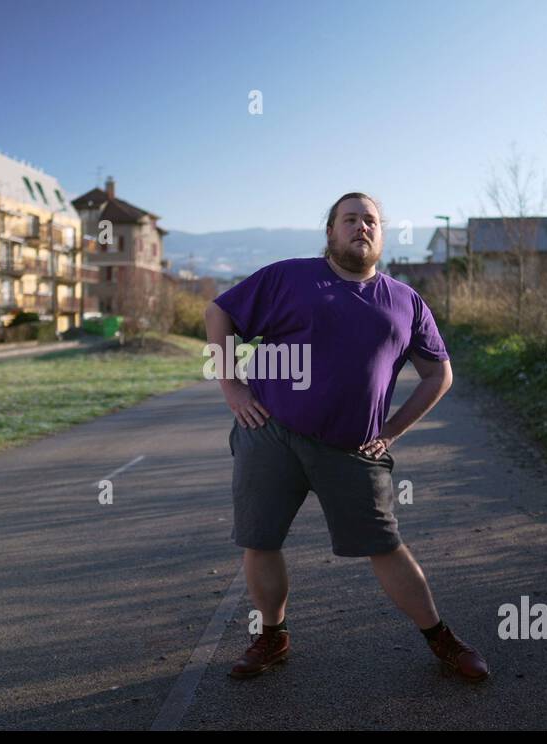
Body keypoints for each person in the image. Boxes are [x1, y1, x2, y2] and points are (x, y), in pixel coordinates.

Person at [203, 192, 490, 683]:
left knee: (385, 544)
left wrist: (392, 431)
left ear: (381, 234)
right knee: (261, 539)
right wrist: (231, 385)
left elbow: (437, 375)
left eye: (371, 220)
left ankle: (441, 637)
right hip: (271, 432)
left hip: (354, 447)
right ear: (331, 232)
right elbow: (218, 312)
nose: (362, 226)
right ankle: (273, 636)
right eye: (350, 219)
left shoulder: (405, 301)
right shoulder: (288, 276)